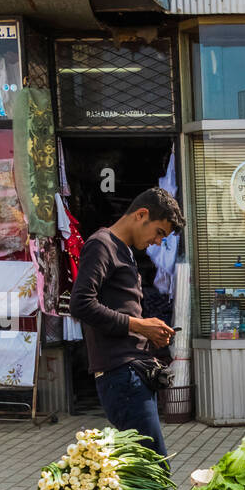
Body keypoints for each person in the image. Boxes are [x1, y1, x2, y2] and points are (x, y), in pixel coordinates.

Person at [69, 188, 184, 457]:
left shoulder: (125, 251)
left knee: (141, 467)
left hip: (132, 370)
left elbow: (118, 309)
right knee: (154, 465)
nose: (157, 242)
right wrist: (139, 325)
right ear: (141, 214)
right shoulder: (101, 245)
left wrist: (148, 331)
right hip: (120, 373)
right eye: (158, 232)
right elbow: (81, 303)